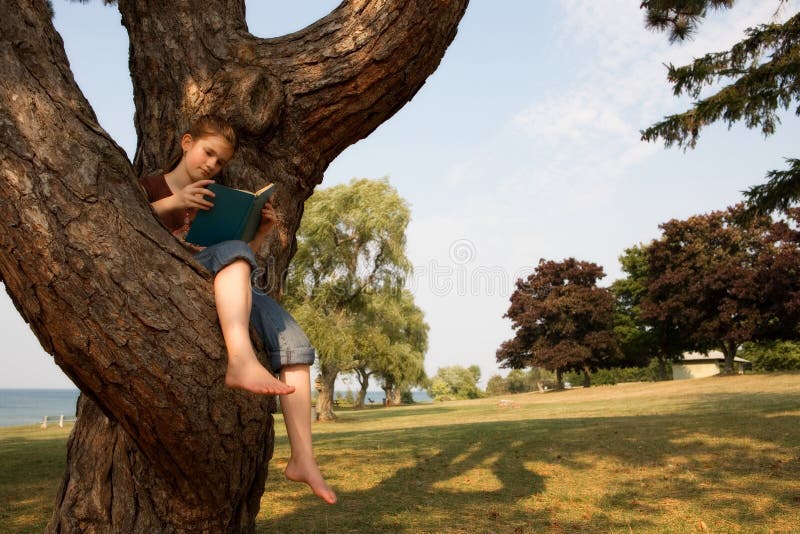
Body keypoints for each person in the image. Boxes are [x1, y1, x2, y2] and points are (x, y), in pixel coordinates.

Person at [138, 114, 336, 505]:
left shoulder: (217, 198)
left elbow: (237, 260)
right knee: (233, 251)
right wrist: (175, 203)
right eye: (208, 153)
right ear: (187, 142)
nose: (212, 164)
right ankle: (241, 359)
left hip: (223, 276)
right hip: (178, 275)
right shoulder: (150, 187)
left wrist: (259, 234)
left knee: (295, 344)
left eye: (220, 161)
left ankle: (304, 459)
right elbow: (123, 223)